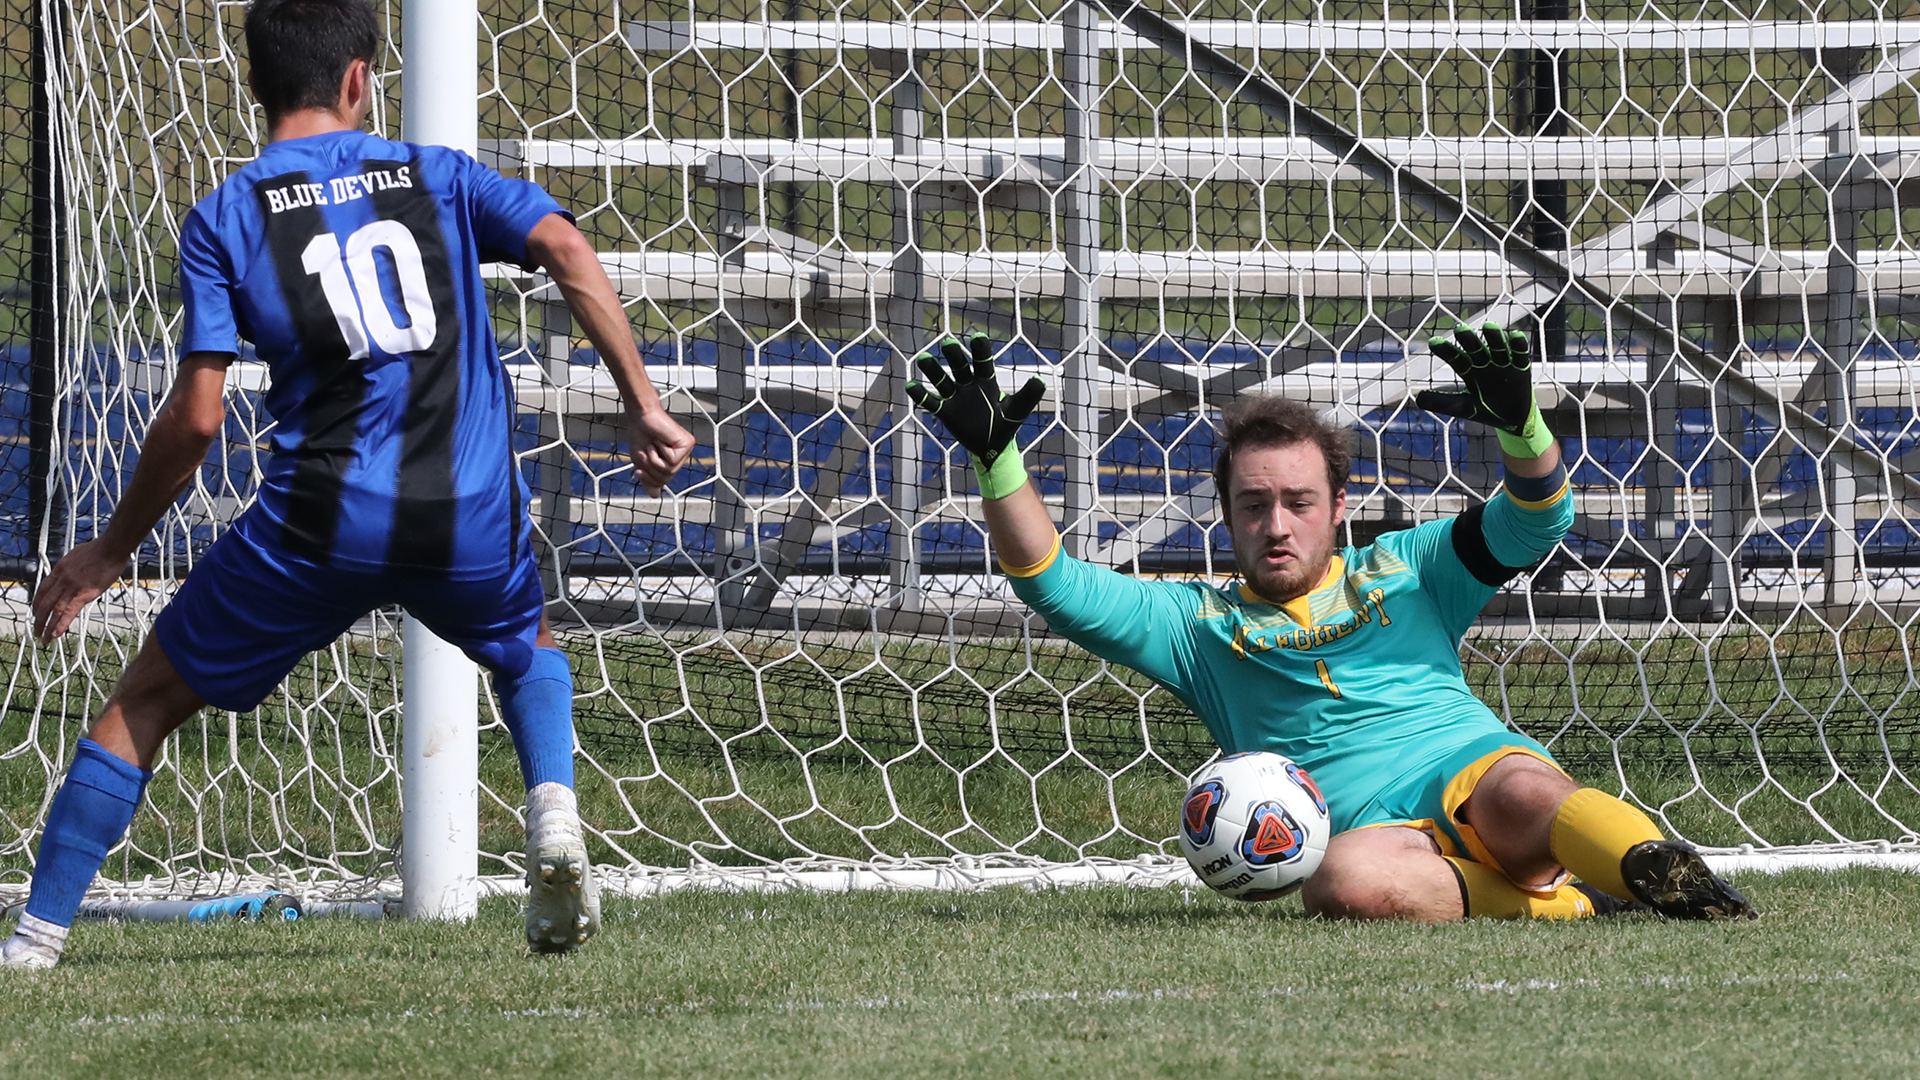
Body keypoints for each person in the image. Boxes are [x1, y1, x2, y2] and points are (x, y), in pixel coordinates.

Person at [2, 0, 695, 968]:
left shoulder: (227, 217)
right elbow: (567, 250)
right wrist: (643, 401)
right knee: (528, 644)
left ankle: (33, 946)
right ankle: (552, 814)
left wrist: (111, 550)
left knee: (144, 702)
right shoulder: (437, 175)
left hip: (318, 527)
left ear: (254, 86)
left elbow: (198, 418)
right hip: (467, 512)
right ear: (362, 79)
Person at [906, 327, 1755, 922]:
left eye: (1298, 502)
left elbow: (1539, 516)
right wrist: (997, 458)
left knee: (1527, 791)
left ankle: (1673, 880)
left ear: (1338, 507)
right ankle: (1578, 903)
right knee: (1341, 888)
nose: (1277, 524)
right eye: (1255, 505)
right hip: (1373, 839)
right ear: (1228, 516)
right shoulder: (1194, 626)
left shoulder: (1407, 566)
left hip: (1471, 773)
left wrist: (1520, 423)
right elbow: (1050, 581)